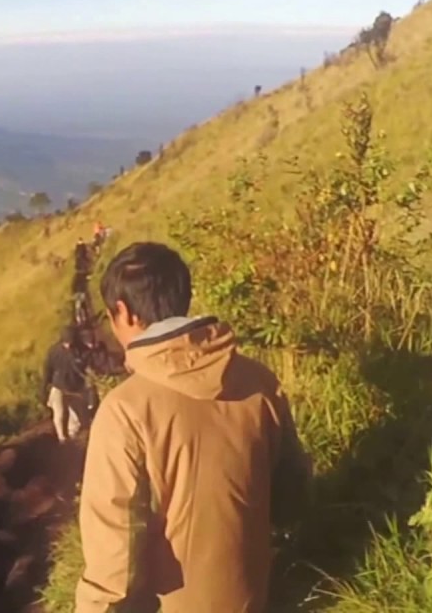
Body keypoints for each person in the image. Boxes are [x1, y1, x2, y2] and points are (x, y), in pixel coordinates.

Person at [75, 242, 313, 613]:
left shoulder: (124, 410)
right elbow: (290, 490)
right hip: (255, 596)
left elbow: (113, 553)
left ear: (123, 312)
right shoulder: (259, 380)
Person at [42, 326, 93, 444]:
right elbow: (47, 370)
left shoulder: (83, 351)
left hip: (76, 388)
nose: (68, 345)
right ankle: (62, 440)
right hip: (59, 387)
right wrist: (44, 389)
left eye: (70, 342)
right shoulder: (54, 351)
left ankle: (74, 440)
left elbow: (88, 370)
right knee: (59, 415)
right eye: (66, 343)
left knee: (80, 420)